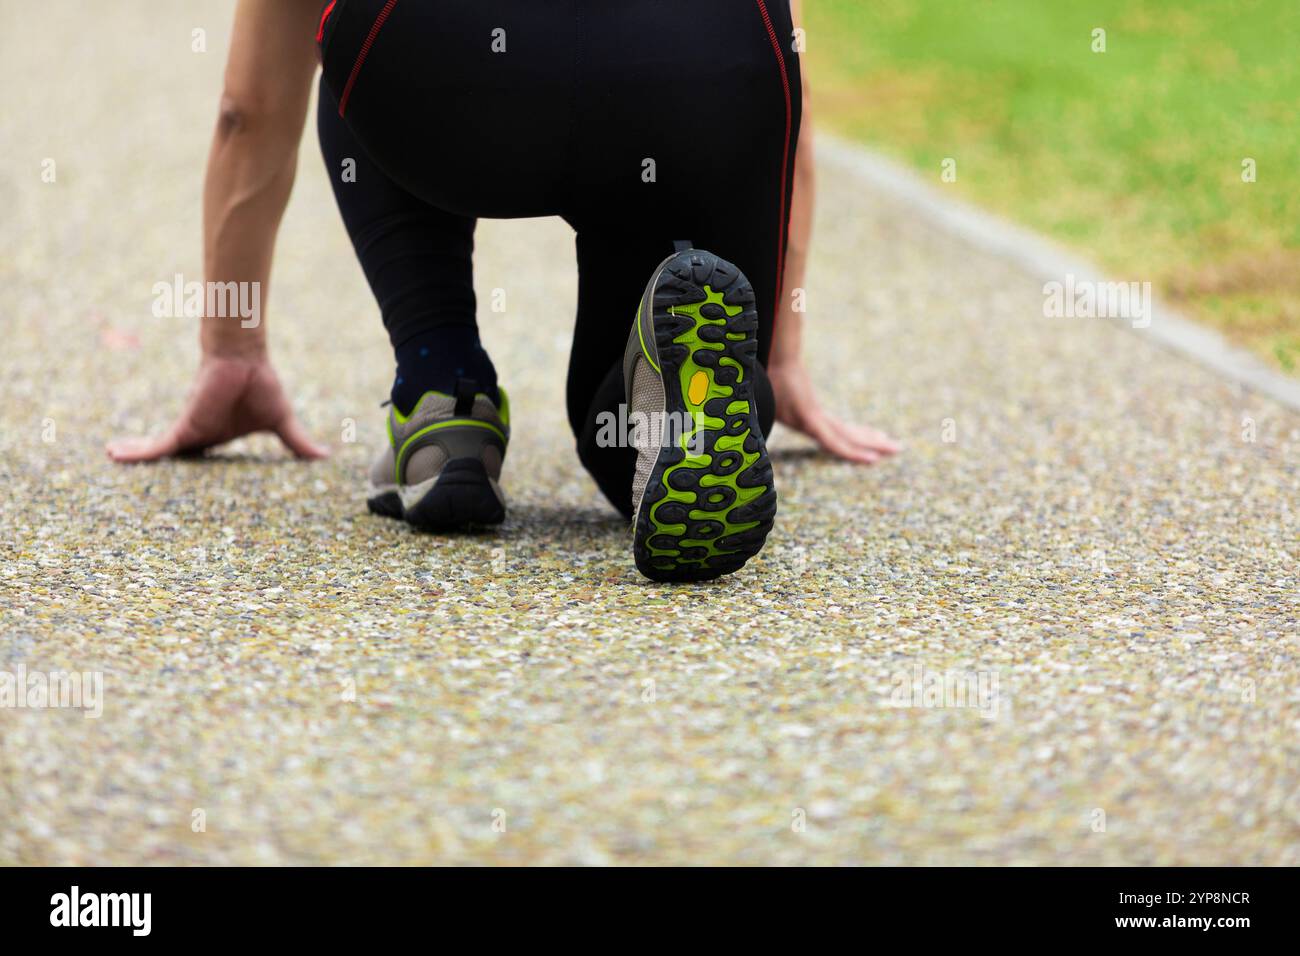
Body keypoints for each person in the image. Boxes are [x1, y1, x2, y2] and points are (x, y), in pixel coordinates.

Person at [108, 0, 899, 582]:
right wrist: (777, 352)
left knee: (341, 34)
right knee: (620, 414)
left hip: (439, 66)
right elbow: (783, 99)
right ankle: (669, 411)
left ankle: (441, 391)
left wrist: (232, 349)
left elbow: (248, 109)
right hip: (696, 75)